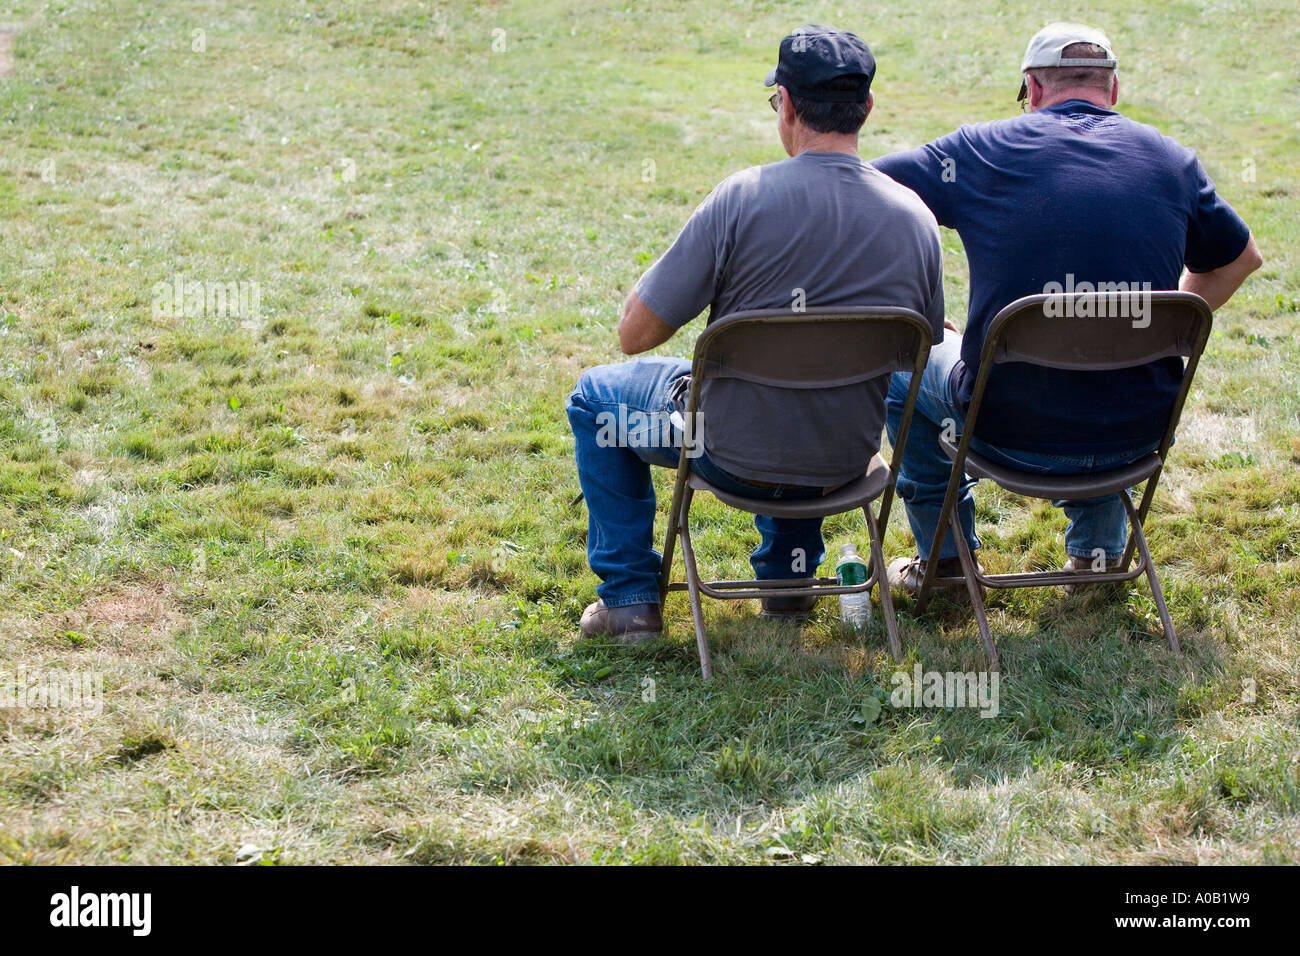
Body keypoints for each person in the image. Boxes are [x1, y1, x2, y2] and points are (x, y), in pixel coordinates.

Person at [566, 25, 946, 642]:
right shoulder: (916, 217)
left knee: (594, 396)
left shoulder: (740, 198)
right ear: (867, 108)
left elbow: (634, 336)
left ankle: (631, 599)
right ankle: (787, 586)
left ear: (788, 105)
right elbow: (923, 344)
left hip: (730, 454)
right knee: (811, 384)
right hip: (845, 461)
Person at [871, 21, 1263, 596]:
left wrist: (917, 304)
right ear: (1114, 90)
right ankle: (1098, 563)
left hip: (1001, 427)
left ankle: (947, 565)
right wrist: (1163, 331)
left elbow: (862, 193)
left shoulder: (977, 150)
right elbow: (1240, 259)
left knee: (903, 367)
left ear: (1030, 88)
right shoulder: (1172, 160)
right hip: (1137, 433)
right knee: (1104, 358)